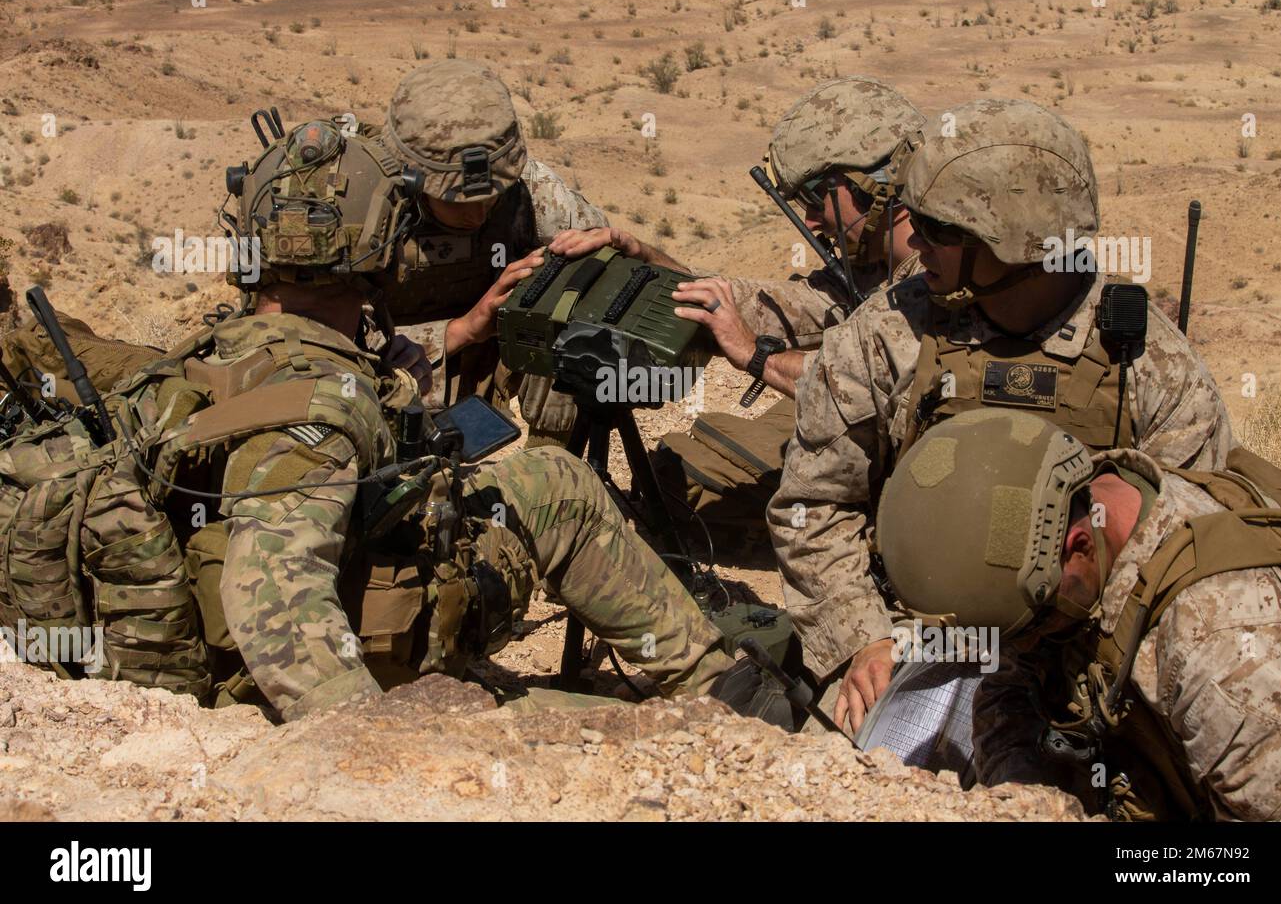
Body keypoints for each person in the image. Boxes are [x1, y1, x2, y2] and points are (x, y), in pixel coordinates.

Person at [0, 116, 775, 725]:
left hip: (220, 622)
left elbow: (380, 386)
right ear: (381, 243)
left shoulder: (217, 352)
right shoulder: (319, 404)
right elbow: (276, 604)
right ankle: (727, 698)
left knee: (519, 472)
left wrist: (464, 334)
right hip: (312, 666)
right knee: (560, 489)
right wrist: (368, 741)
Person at [768, 98, 1233, 735]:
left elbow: (1190, 559)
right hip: (919, 645)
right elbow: (812, 505)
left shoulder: (1149, 364)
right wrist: (862, 642)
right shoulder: (886, 335)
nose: (917, 243)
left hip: (1096, 663)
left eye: (941, 230)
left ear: (1010, 245)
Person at [556, 77, 926, 555]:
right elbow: (767, 307)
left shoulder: (935, 280)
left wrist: (757, 357)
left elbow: (861, 389)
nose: (812, 222)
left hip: (928, 482)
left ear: (871, 185)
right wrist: (644, 259)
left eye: (816, 200)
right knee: (678, 485)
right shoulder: (874, 268)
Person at [874, 408, 1281, 820]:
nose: (1017, 649)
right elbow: (1009, 694)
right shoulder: (1066, 521)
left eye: (1029, 631)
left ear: (1079, 548)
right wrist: (1026, 799)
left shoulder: (1223, 648)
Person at [370, 59, 608, 446]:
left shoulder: (527, 192)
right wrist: (462, 329)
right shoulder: (365, 217)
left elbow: (602, 254)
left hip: (484, 362)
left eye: (490, 195)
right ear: (412, 181)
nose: (479, 212)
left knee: (574, 321)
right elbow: (328, 346)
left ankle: (553, 478)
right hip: (388, 373)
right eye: (458, 200)